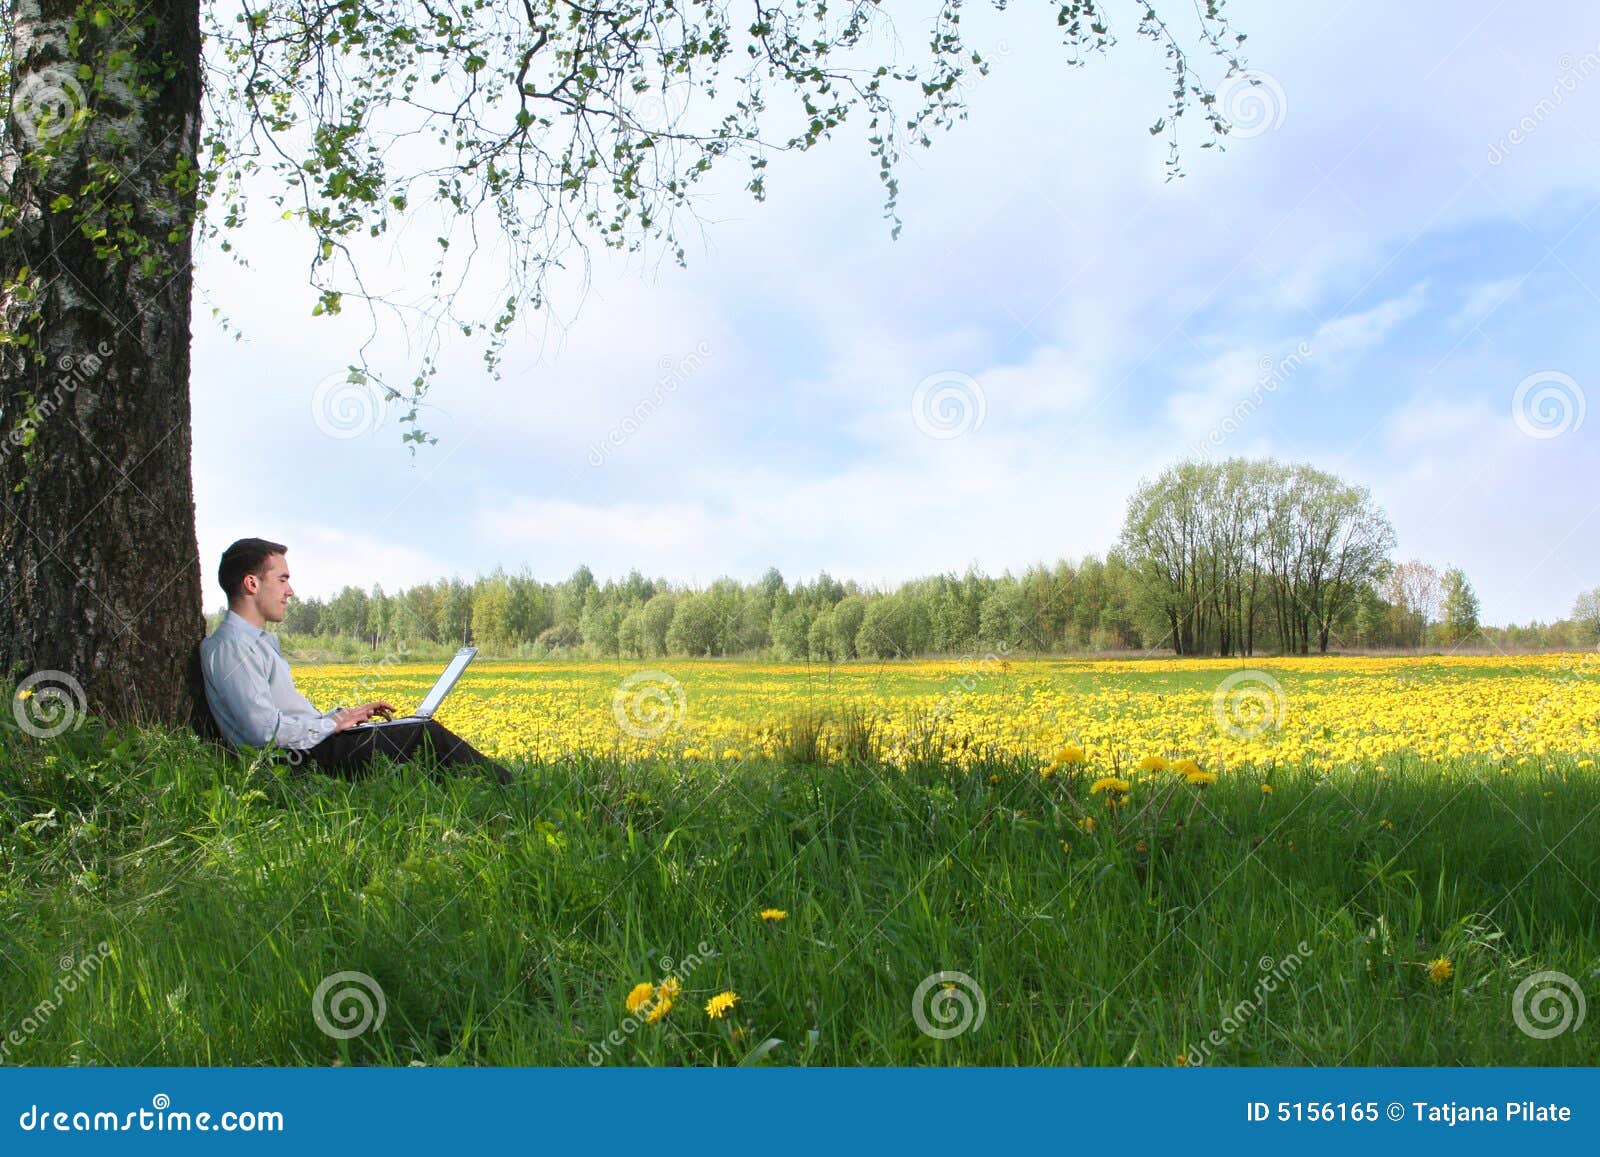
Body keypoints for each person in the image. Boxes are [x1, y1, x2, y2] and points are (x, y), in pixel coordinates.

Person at [198, 537, 512, 785]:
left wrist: (344, 717)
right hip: (294, 761)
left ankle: (481, 792)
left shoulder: (254, 643)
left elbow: (284, 716)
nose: (290, 591)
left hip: (310, 747)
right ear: (252, 584)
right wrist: (333, 725)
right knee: (424, 734)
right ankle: (510, 790)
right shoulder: (231, 647)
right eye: (282, 580)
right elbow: (263, 733)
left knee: (414, 734)